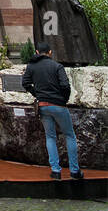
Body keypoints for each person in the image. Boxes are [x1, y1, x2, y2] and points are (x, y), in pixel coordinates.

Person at [21, 42, 84, 181]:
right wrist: (63, 99)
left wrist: (36, 93)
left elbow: (25, 83)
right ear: (50, 52)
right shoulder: (57, 66)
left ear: (37, 52)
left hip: (43, 105)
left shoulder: (31, 66)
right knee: (69, 135)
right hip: (59, 105)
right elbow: (65, 85)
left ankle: (55, 171)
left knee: (50, 137)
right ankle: (74, 171)